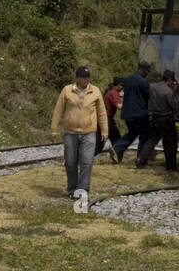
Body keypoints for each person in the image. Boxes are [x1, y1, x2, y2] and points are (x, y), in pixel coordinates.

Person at [49, 66, 108, 198]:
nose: (86, 80)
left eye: (88, 77)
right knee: (70, 162)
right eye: (83, 77)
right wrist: (53, 129)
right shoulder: (67, 90)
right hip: (71, 132)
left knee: (87, 162)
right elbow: (58, 110)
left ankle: (82, 190)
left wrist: (104, 130)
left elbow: (102, 113)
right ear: (77, 78)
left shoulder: (95, 91)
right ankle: (72, 189)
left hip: (90, 132)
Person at [136, 70, 179, 170]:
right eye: (172, 81)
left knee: (151, 140)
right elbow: (173, 106)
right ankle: (171, 166)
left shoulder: (152, 87)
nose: (172, 83)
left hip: (154, 117)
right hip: (166, 119)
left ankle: (141, 159)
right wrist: (175, 93)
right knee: (170, 143)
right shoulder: (168, 91)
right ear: (169, 80)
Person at [110, 61, 151, 163]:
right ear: (143, 69)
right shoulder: (143, 82)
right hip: (140, 113)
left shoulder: (128, 80)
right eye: (147, 71)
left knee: (132, 133)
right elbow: (147, 97)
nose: (148, 73)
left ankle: (117, 148)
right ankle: (140, 159)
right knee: (144, 135)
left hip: (127, 113)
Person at [96, 77, 124, 157]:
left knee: (100, 142)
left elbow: (118, 95)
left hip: (102, 119)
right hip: (107, 120)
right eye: (123, 86)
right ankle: (117, 155)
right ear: (119, 85)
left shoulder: (111, 91)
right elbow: (119, 106)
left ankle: (83, 158)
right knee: (117, 140)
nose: (123, 89)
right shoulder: (114, 93)